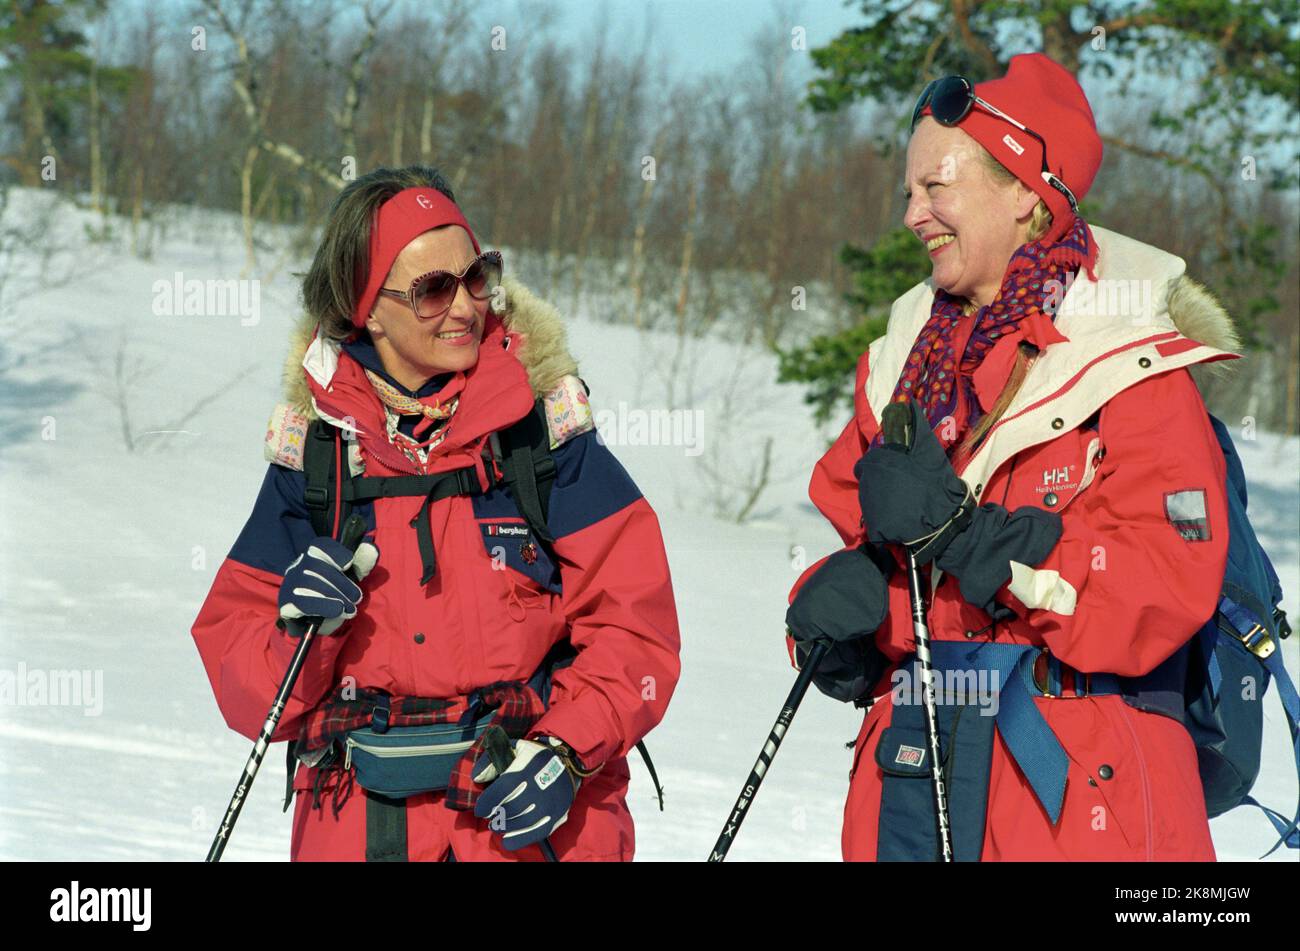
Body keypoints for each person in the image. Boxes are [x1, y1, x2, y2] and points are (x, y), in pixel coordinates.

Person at [785, 54, 1242, 861]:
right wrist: (840, 620)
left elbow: (1161, 587)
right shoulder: (903, 367)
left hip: (1080, 806)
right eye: (907, 192)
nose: (912, 215)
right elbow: (872, 553)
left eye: (937, 188)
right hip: (914, 787)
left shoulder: (1133, 365)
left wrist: (970, 539)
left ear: (1026, 194)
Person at [191, 165, 681, 861]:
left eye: (476, 276)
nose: (465, 307)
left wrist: (567, 751)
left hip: (525, 819)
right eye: (432, 289)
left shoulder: (541, 436)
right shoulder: (320, 455)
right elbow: (250, 692)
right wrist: (300, 631)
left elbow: (637, 624)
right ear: (366, 308)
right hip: (359, 828)